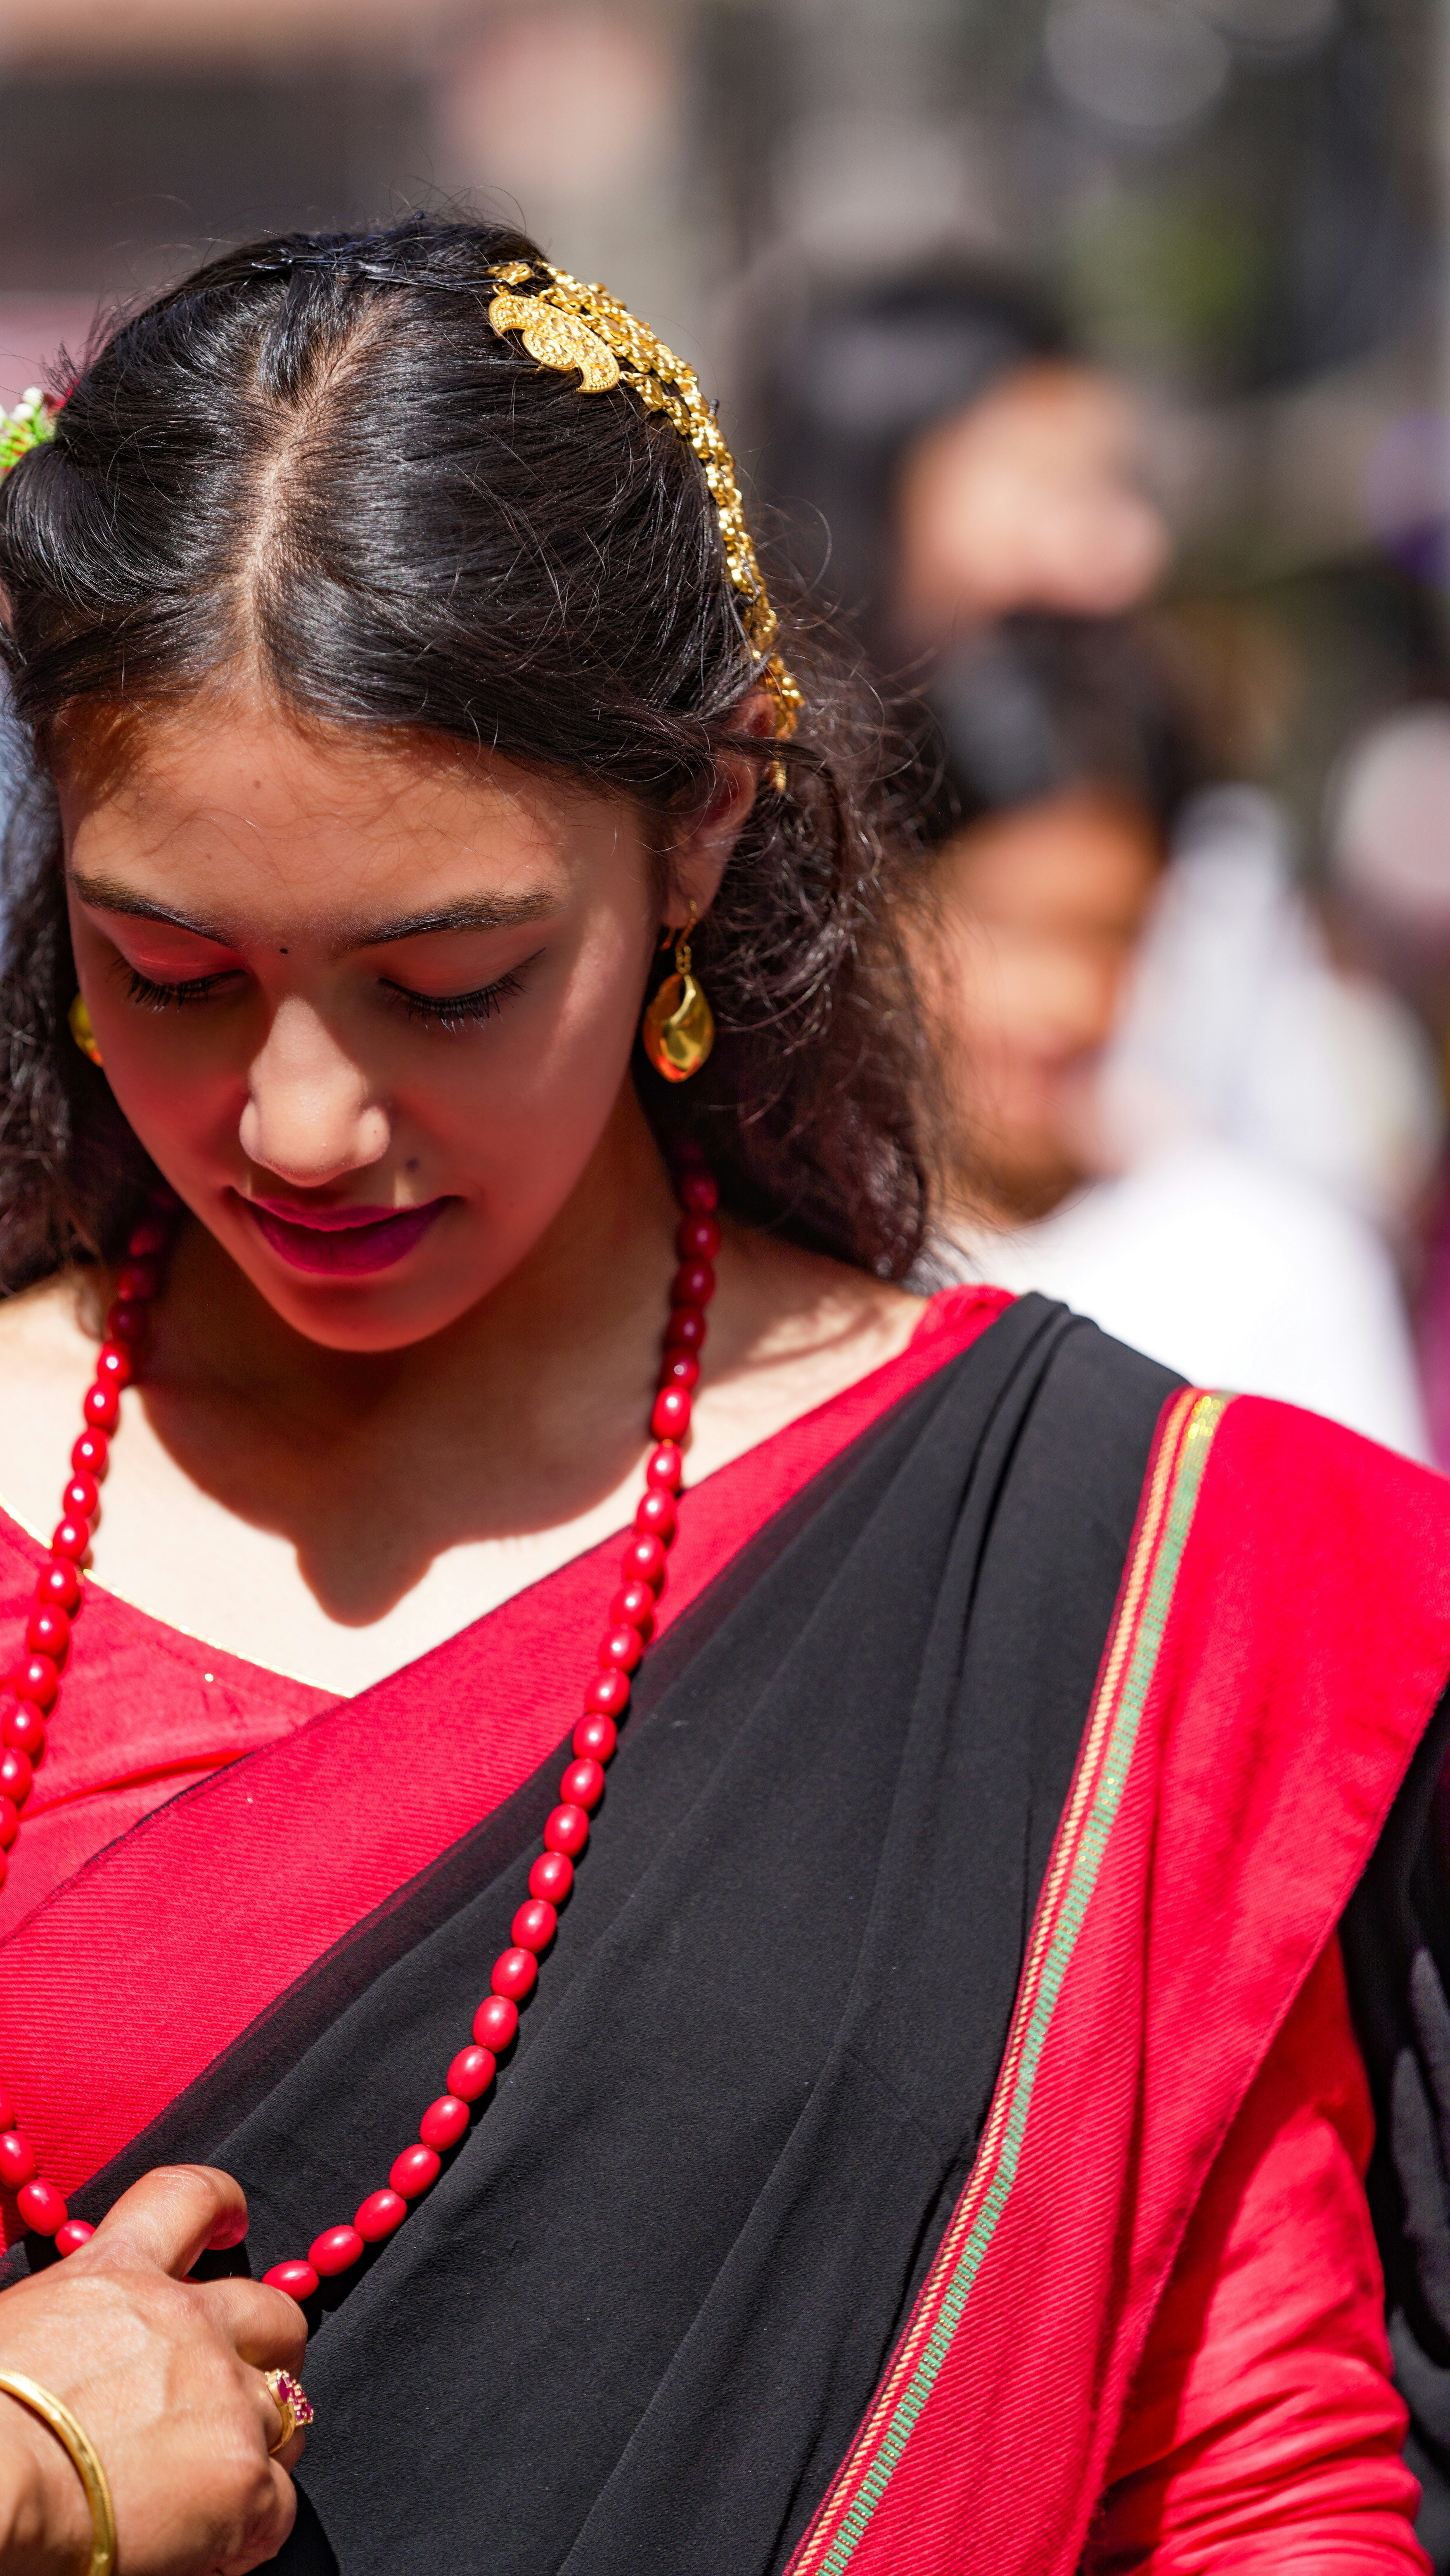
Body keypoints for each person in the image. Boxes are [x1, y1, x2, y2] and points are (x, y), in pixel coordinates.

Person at [0, 217, 1441, 2576]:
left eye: (445, 984)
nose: (300, 1123)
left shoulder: (1092, 1570)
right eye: (165, 971)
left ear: (702, 825)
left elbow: (1250, 2469)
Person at [920, 614, 1431, 1458]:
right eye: (1004, 929)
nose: (1066, 1002)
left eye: (1111, 936)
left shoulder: (1277, 1267)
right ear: (886, 904)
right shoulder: (801, 1285)